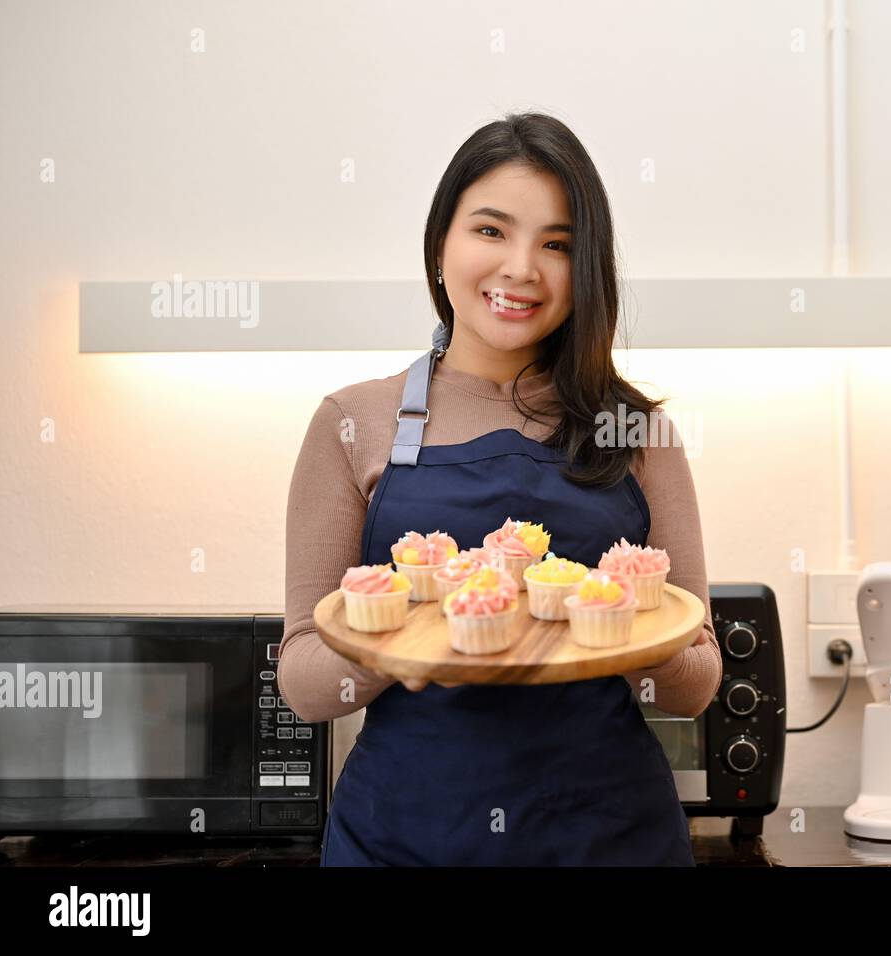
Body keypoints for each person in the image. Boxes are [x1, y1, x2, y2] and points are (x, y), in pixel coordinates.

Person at [279, 112, 721, 866]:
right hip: (404, 839)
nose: (521, 267)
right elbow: (305, 685)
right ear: (441, 242)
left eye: (557, 245)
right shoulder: (354, 423)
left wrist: (623, 625)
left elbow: (696, 684)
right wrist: (402, 634)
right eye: (491, 231)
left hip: (610, 839)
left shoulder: (636, 432)